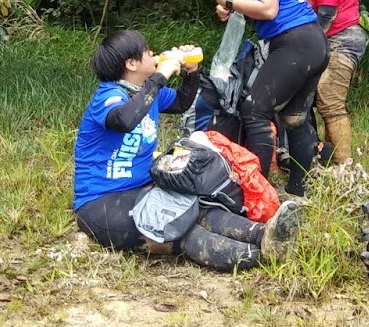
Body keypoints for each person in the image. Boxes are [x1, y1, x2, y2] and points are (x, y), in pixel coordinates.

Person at [73, 29, 301, 271]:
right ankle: (261, 257)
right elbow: (123, 120)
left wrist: (191, 73)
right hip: (100, 202)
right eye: (147, 51)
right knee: (175, 225)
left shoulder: (147, 92)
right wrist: (160, 76)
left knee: (195, 204)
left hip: (141, 189)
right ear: (131, 63)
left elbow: (182, 103)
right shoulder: (108, 96)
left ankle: (264, 234)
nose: (153, 53)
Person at [200, 0, 328, 197]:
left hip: (294, 45)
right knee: (295, 118)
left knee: (254, 110)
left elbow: (269, 9)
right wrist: (234, 7)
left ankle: (256, 191)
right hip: (314, 44)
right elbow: (267, 6)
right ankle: (297, 191)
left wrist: (229, 0)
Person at [286, 0, 368, 166]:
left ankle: (344, 167)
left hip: (343, 38)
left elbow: (326, 17)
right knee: (323, 100)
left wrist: (304, 46)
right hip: (328, 37)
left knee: (330, 100)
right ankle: (331, 158)